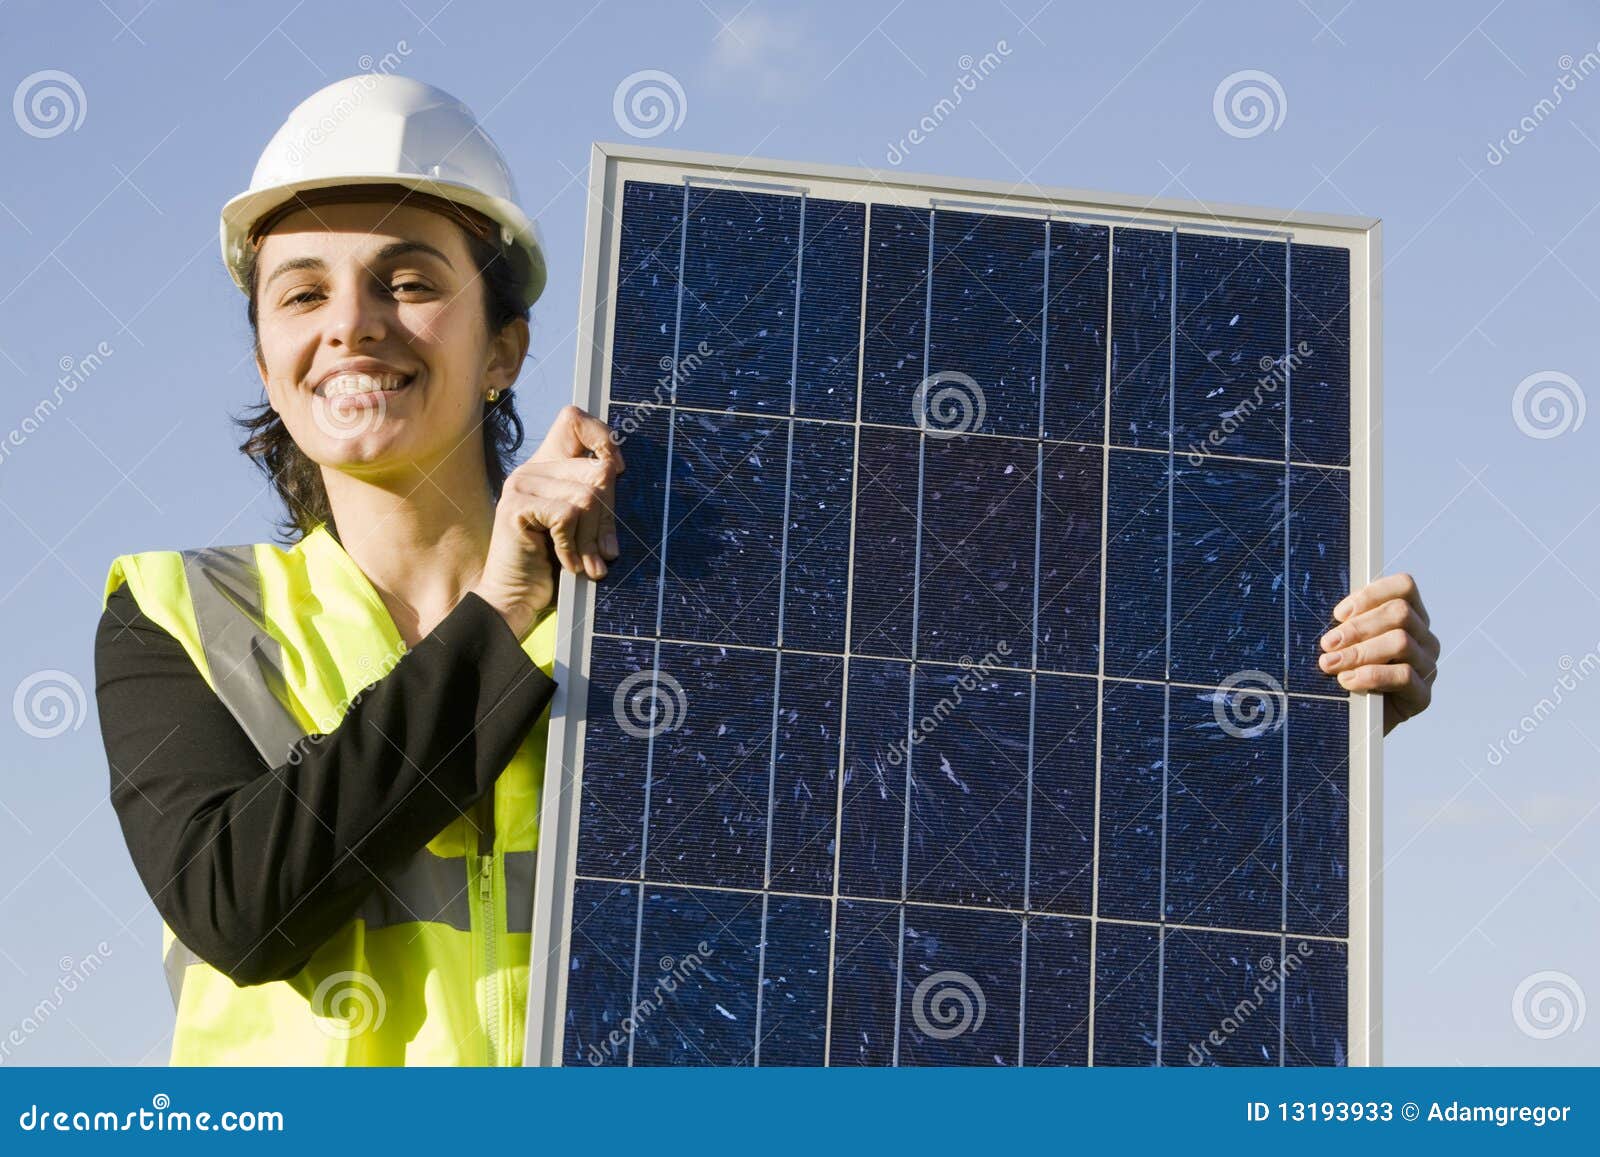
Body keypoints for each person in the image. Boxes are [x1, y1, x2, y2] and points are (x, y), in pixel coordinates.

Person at [93, 73, 1439, 1068]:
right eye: (305, 291)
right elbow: (244, 902)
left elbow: (985, 802)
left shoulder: (658, 611)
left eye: (409, 280)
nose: (356, 327)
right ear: (265, 345)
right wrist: (504, 615)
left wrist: (1287, 696)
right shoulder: (179, 613)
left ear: (504, 347)